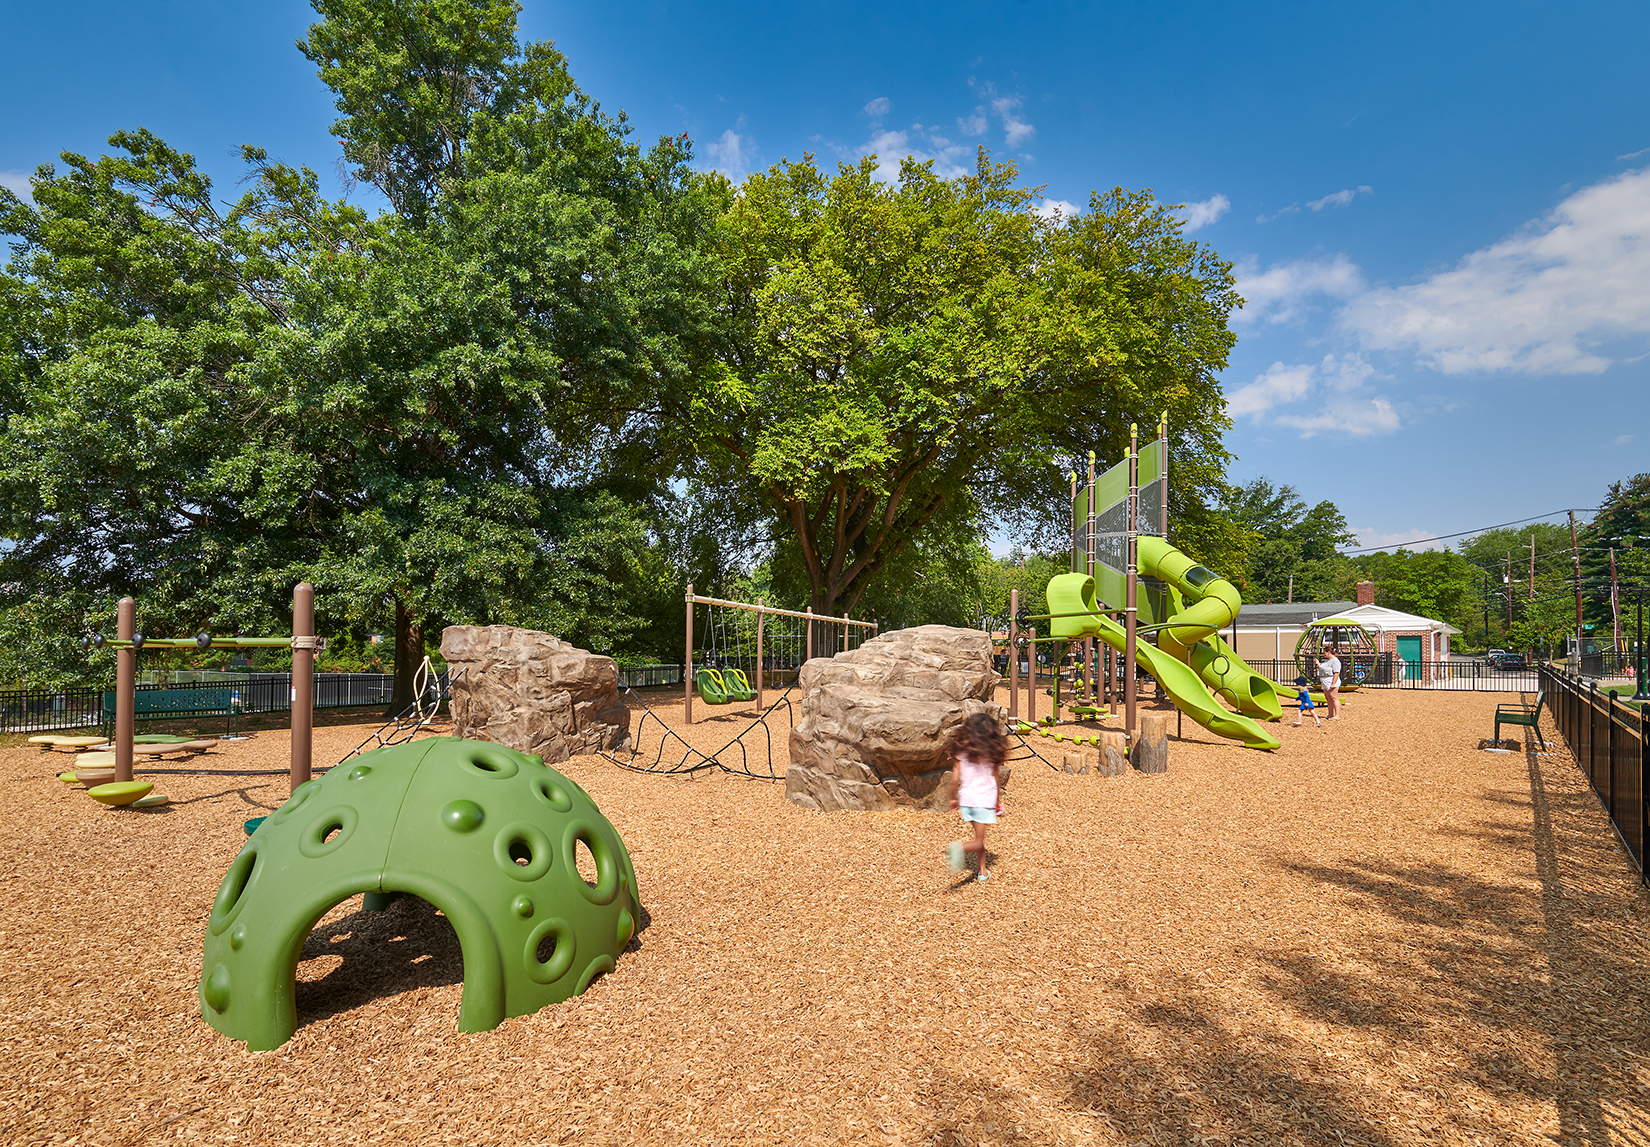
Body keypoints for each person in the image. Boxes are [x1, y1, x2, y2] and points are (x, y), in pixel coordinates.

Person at [945, 712, 1007, 883]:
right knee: (978, 841)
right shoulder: (991, 755)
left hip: (967, 801)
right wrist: (996, 802)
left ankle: (983, 871)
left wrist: (952, 799)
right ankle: (959, 849)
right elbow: (995, 780)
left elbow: (954, 780)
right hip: (984, 801)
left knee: (978, 838)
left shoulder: (962, 754)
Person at [1318, 646, 1342, 719]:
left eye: (1324, 652)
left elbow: (1337, 673)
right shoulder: (1327, 660)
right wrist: (1317, 663)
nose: (1324, 654)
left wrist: (1333, 684)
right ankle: (1330, 714)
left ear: (1328, 652)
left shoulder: (1335, 660)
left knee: (1334, 698)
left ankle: (1337, 715)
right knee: (1328, 699)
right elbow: (1323, 667)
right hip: (1324, 680)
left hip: (1331, 679)